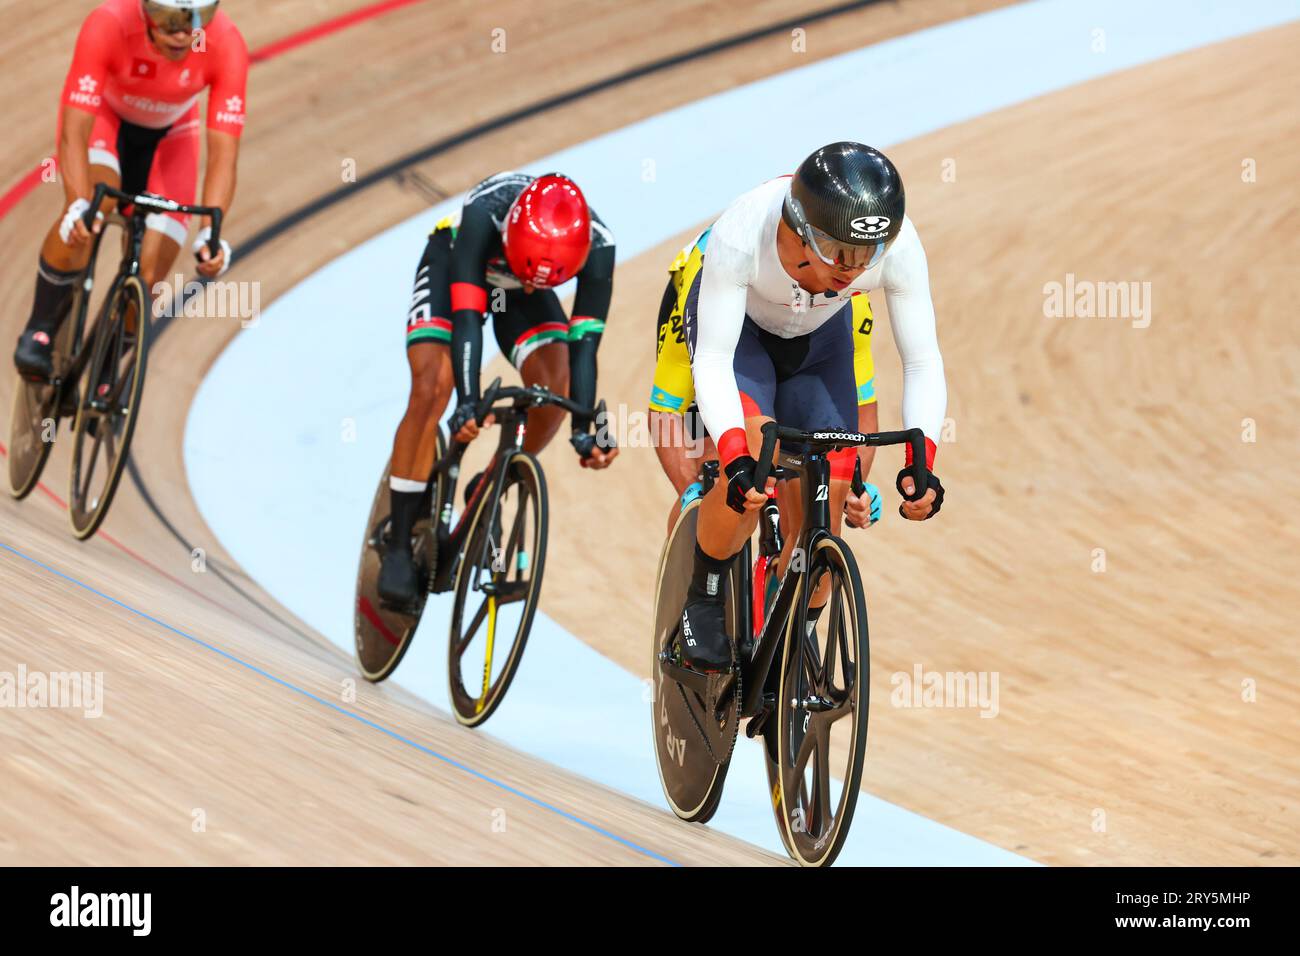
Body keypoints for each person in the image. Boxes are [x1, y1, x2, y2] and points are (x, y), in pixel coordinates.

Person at [677, 142, 947, 672]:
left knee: (830, 500)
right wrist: (732, 455)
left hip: (820, 346)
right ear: (799, 229)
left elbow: (922, 361)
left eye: (866, 255)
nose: (852, 268)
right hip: (742, 338)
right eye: (837, 251)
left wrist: (924, 461)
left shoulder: (899, 247)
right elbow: (712, 360)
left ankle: (791, 634)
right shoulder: (743, 232)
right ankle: (703, 595)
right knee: (753, 468)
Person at [378, 171, 618, 607]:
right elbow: (467, 320)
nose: (530, 285)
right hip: (457, 263)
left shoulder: (598, 246)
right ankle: (397, 541)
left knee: (556, 385)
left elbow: (585, 348)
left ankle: (491, 483)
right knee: (434, 386)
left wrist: (584, 429)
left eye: (544, 282)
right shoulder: (484, 214)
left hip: (516, 284)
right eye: (530, 278)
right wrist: (468, 403)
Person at [13, 0, 247, 381]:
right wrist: (77, 203)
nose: (182, 33)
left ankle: (105, 372)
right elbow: (75, 131)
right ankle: (39, 328)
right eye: (169, 19)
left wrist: (211, 232)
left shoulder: (225, 43)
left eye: (196, 19)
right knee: (94, 208)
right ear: (146, 10)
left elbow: (224, 153)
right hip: (107, 122)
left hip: (172, 138)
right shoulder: (109, 24)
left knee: (151, 274)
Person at [650, 230, 883, 536]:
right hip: (714, 299)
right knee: (717, 470)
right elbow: (665, 408)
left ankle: (786, 561)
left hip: (792, 339)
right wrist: (688, 489)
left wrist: (853, 488)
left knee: (802, 488)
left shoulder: (849, 305)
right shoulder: (711, 294)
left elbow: (861, 405)